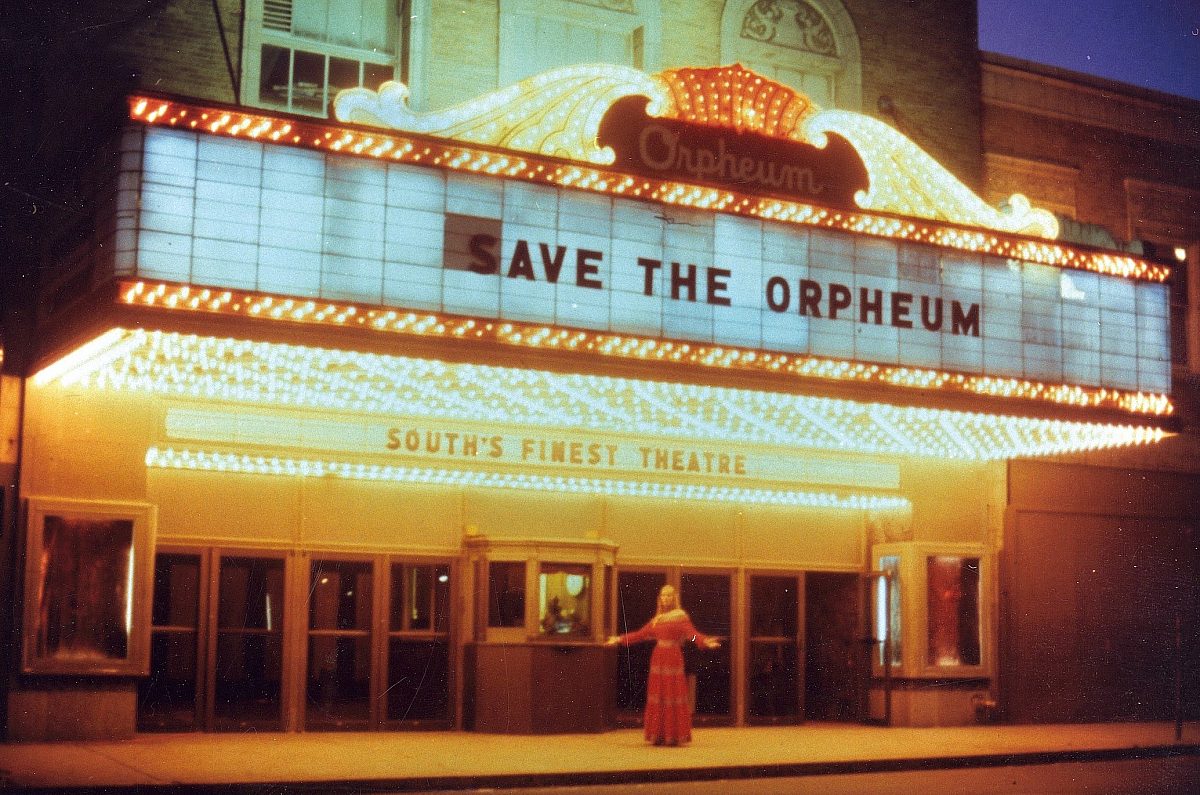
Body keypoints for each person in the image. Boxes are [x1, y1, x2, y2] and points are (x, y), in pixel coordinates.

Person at [606, 585, 720, 746]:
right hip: (658, 658)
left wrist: (704, 641)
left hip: (673, 657)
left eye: (669, 596)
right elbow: (640, 635)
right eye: (663, 596)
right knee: (658, 694)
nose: (666, 599)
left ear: (674, 598)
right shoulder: (657, 620)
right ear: (659, 599)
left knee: (672, 694)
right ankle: (658, 735)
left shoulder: (680, 617)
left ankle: (673, 735)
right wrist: (619, 639)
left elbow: (691, 635)